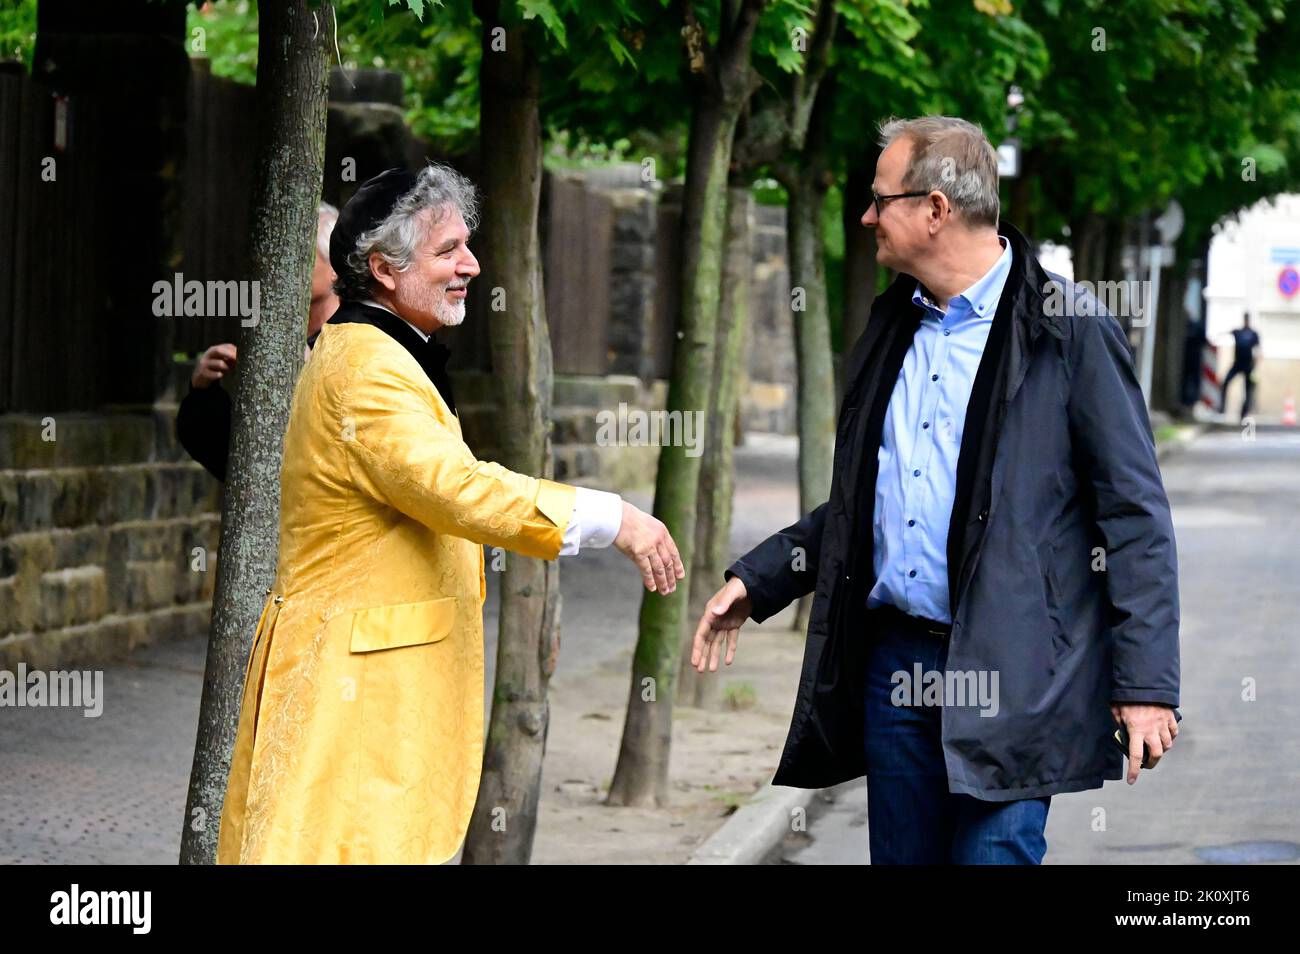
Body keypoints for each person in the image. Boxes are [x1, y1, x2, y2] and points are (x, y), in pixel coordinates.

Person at [691, 117, 1181, 865]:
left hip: (1015, 671)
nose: (864, 217)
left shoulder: (1068, 329)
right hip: (900, 672)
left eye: (878, 199)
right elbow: (869, 503)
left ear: (935, 210)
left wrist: (1145, 684)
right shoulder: (892, 325)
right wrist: (761, 581)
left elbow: (1135, 517)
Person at [217, 165, 684, 864]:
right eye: (448, 251)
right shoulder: (368, 369)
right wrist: (611, 516)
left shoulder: (374, 348)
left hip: (364, 694)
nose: (471, 265)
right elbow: (455, 488)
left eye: (468, 245)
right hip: (351, 702)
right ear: (381, 268)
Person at [175, 202, 341, 481]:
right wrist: (203, 392)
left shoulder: (360, 342)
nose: (287, 266)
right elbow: (233, 461)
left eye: (303, 255)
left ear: (336, 267)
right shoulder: (267, 344)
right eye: (282, 255)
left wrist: (315, 378)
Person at [1218, 312, 1260, 420]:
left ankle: (1244, 411)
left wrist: (1255, 364)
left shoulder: (1253, 334)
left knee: (1248, 390)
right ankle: (1221, 407)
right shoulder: (1238, 332)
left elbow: (1257, 350)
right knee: (1225, 382)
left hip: (1248, 365)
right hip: (1237, 364)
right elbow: (1227, 333)